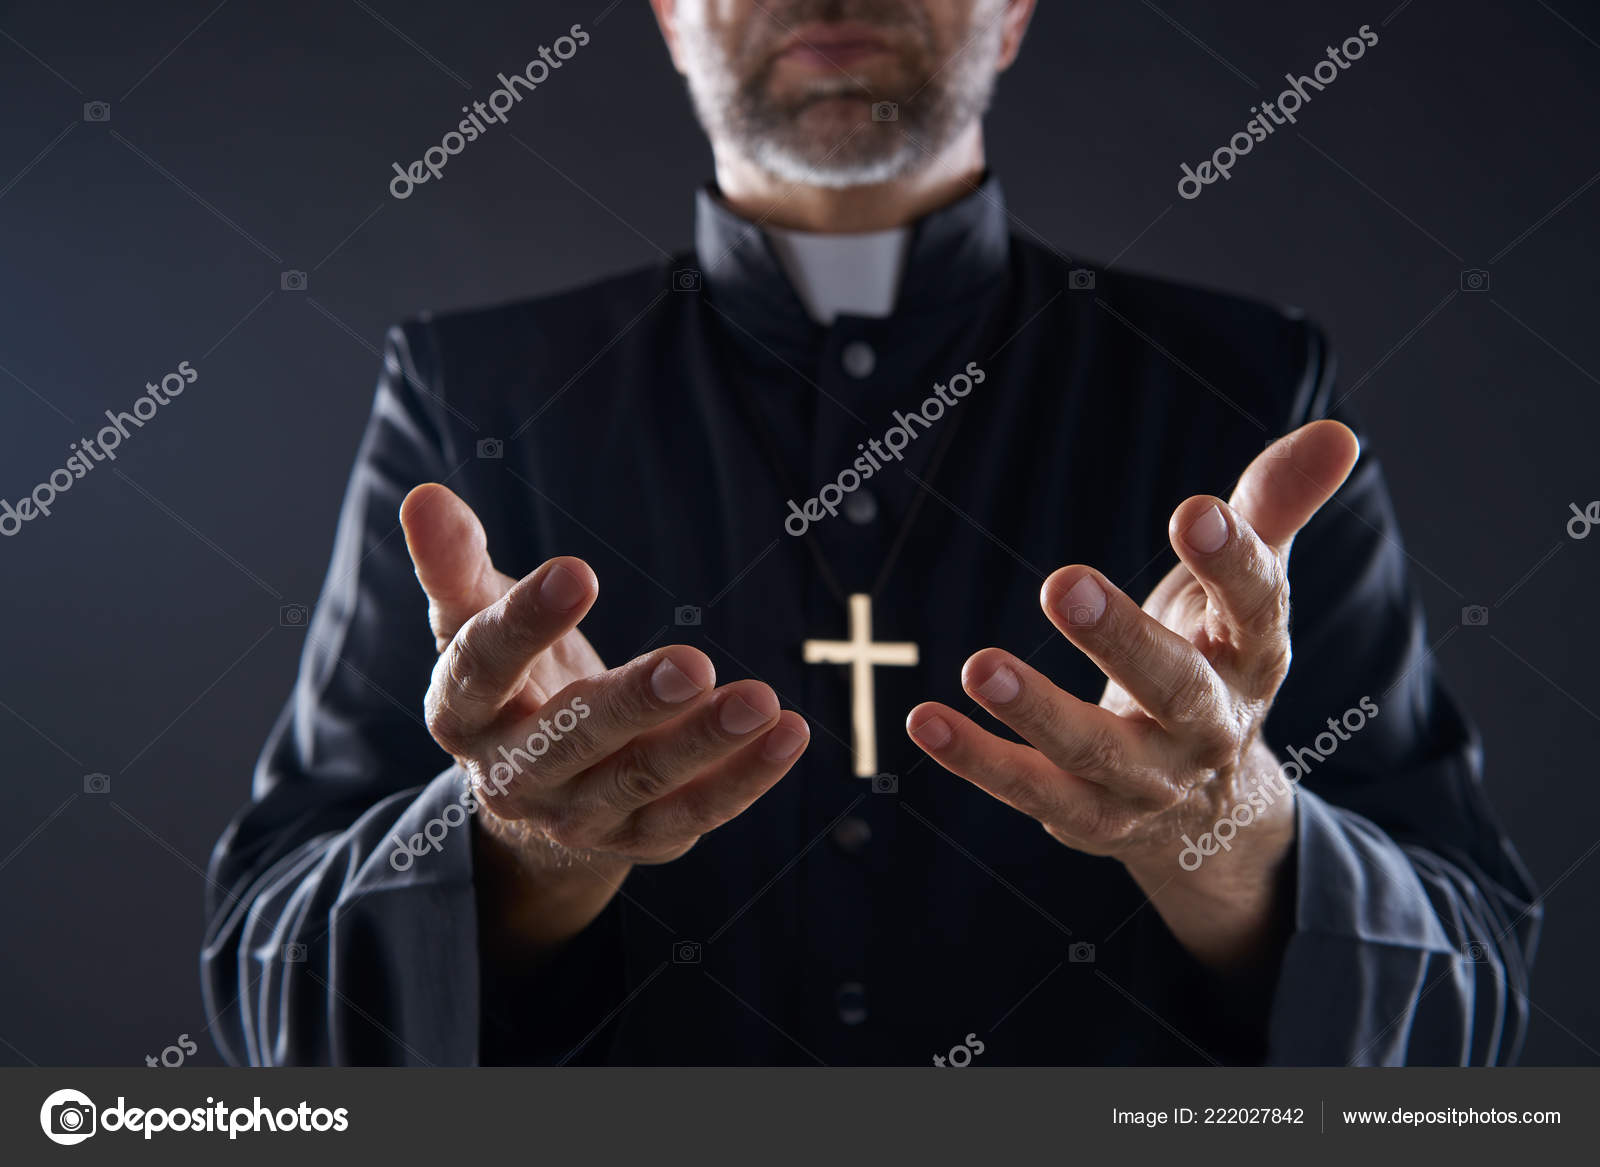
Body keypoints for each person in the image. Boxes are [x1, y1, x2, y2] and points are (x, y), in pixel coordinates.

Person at [202, 0, 1537, 1066]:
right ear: (670, 15)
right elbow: (272, 989)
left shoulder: (1243, 388)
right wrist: (516, 846)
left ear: (1013, 14)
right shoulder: (473, 392)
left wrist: (1229, 830)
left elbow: (1469, 988)